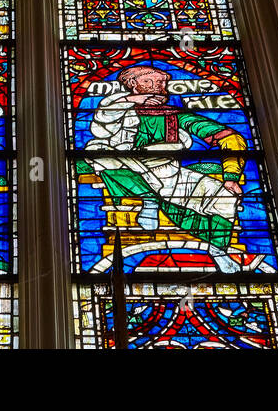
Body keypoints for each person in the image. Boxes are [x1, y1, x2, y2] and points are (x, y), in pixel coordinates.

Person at [87, 64, 250, 273]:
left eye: (162, 83)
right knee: (99, 154)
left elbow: (230, 137)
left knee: (224, 198)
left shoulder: (174, 115)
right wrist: (130, 101)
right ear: (132, 86)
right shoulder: (115, 112)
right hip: (130, 169)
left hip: (170, 173)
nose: (157, 87)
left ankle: (218, 250)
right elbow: (101, 123)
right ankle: (149, 200)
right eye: (149, 81)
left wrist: (231, 177)